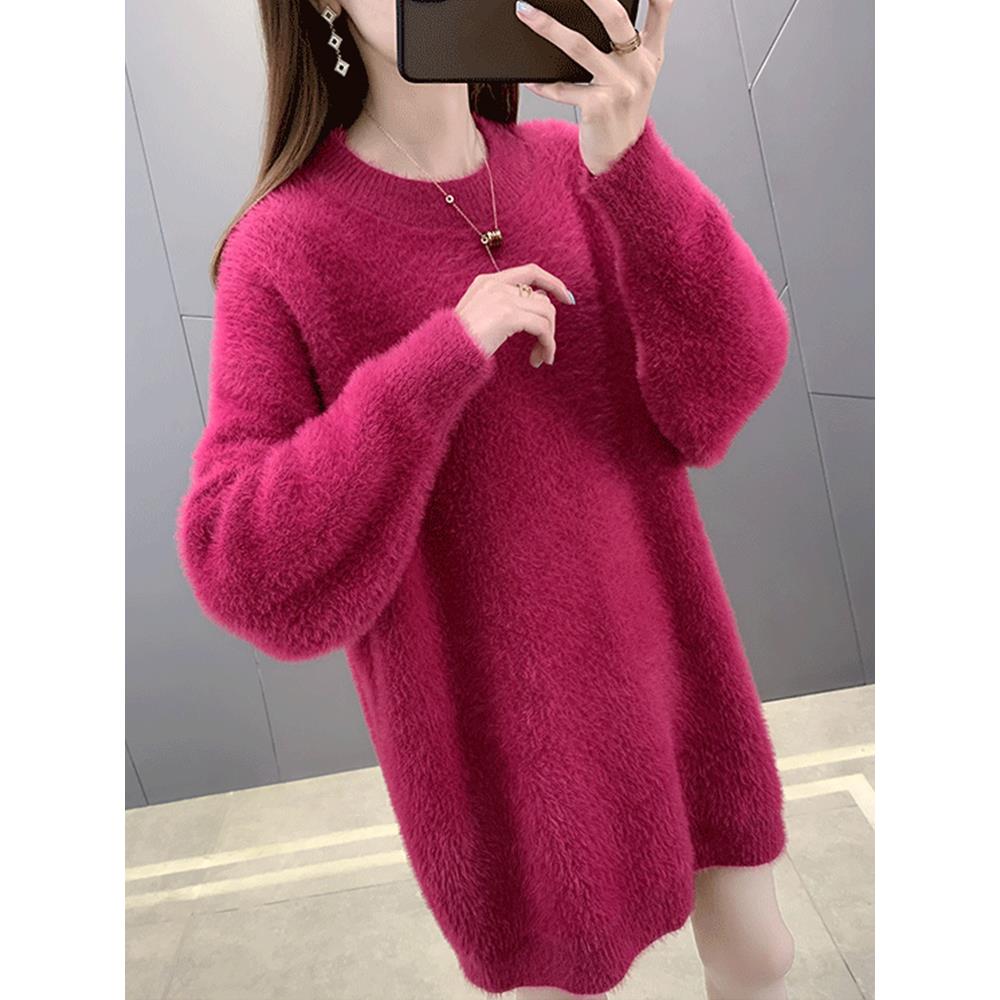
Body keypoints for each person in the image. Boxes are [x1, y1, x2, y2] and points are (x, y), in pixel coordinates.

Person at [175, 1, 797, 997]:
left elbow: (726, 383)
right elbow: (240, 560)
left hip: (672, 670)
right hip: (510, 754)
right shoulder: (283, 247)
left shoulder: (572, 165)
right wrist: (442, 356)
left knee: (761, 953)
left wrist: (632, 165)